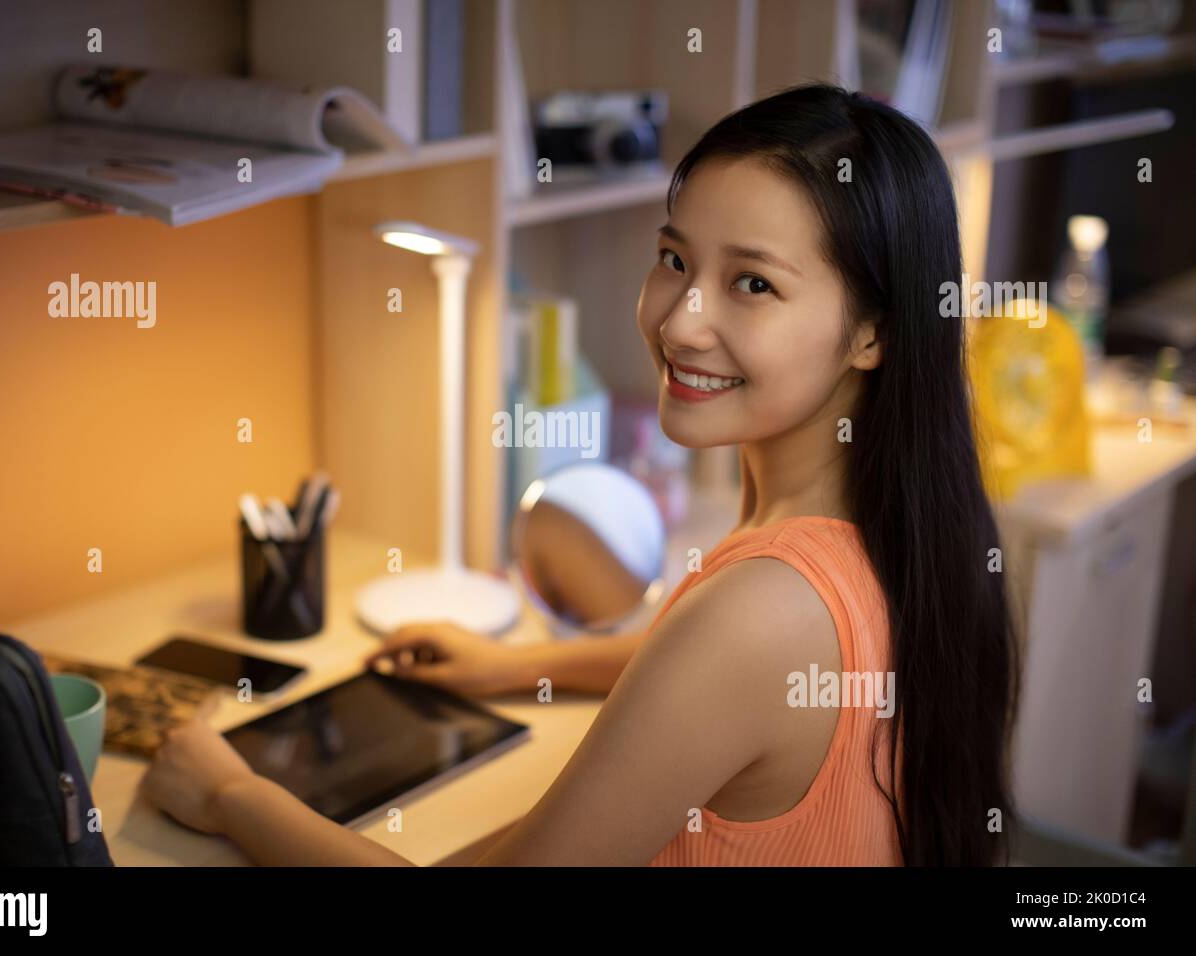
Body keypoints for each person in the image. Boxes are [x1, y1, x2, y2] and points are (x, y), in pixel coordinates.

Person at [142, 83, 1018, 866]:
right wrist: (516, 668)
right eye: (676, 259)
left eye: (752, 283)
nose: (680, 321)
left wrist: (232, 796)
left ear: (874, 333)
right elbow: (723, 678)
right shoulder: (889, 536)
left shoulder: (762, 612)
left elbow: (732, 658)